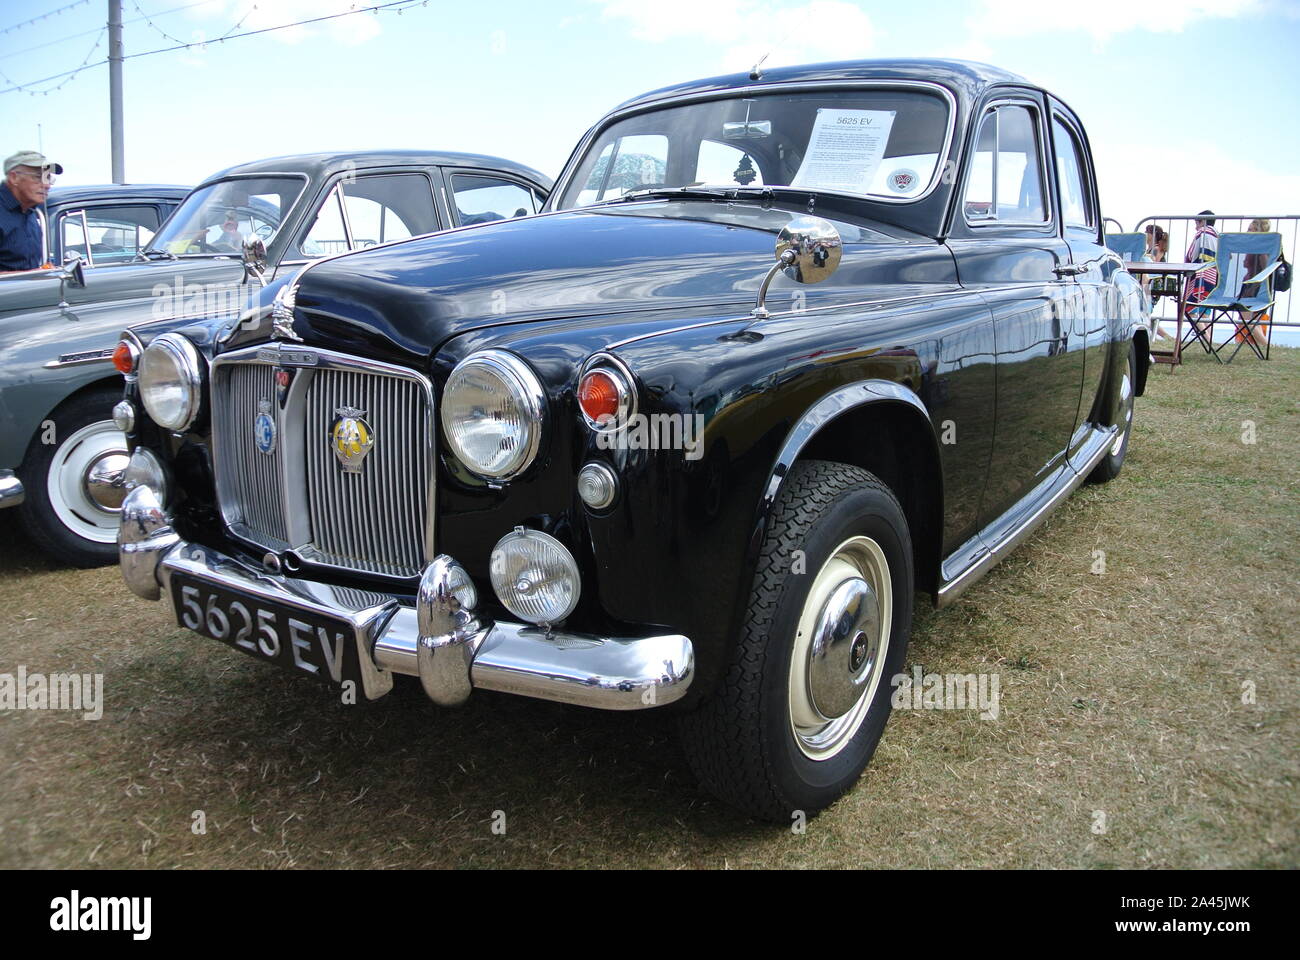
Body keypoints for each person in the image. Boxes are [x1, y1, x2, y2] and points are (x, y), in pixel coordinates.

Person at [0, 150, 62, 272]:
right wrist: (30, 275)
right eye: (38, 177)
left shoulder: (31, 213)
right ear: (14, 177)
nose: (47, 185)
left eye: (48, 178)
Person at [1235, 218, 1273, 350]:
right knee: (1252, 320)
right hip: (1253, 285)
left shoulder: (1259, 248)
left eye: (1250, 229)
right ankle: (1262, 345)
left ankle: (1266, 345)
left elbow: (1264, 269)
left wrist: (1256, 286)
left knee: (1247, 320)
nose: (1247, 231)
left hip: (1253, 286)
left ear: (1258, 231)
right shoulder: (1261, 246)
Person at [1183, 209, 1219, 345]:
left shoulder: (1202, 233)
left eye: (1196, 222)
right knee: (1204, 312)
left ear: (1203, 221)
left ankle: (1207, 341)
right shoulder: (1218, 236)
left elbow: (1192, 255)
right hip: (1214, 278)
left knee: (1189, 308)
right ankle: (1210, 343)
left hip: (1200, 278)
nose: (1195, 226)